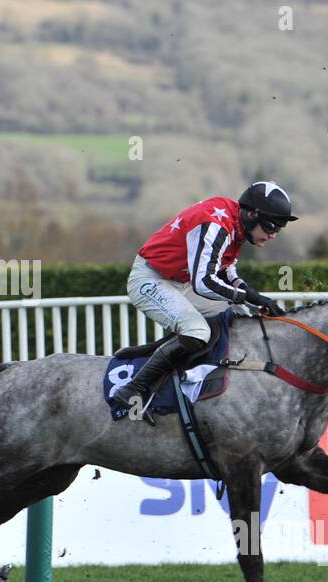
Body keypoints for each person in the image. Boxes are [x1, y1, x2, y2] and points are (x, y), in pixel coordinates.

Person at [111, 180, 298, 422]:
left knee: (240, 314)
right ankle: (134, 388)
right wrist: (248, 296)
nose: (273, 235)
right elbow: (205, 282)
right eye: (271, 226)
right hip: (150, 279)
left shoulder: (236, 222)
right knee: (197, 331)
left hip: (182, 282)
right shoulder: (217, 225)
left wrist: (252, 296)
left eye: (278, 229)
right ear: (252, 214)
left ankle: (172, 360)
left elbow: (226, 271)